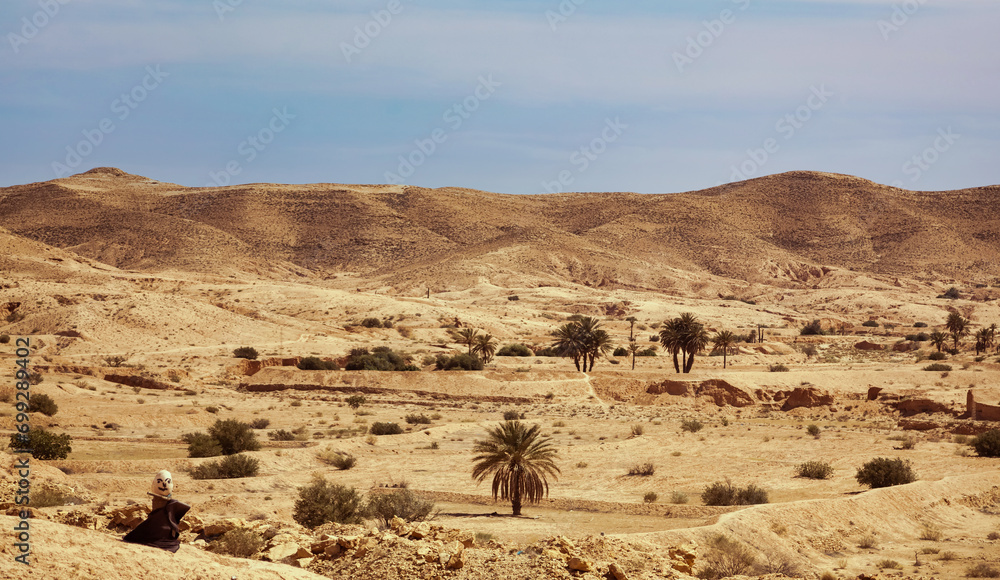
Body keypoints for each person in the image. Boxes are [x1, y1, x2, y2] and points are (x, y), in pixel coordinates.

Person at [122, 470, 190, 553]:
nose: (164, 484)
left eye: (167, 482)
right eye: (159, 482)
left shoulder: (168, 504)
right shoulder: (169, 504)